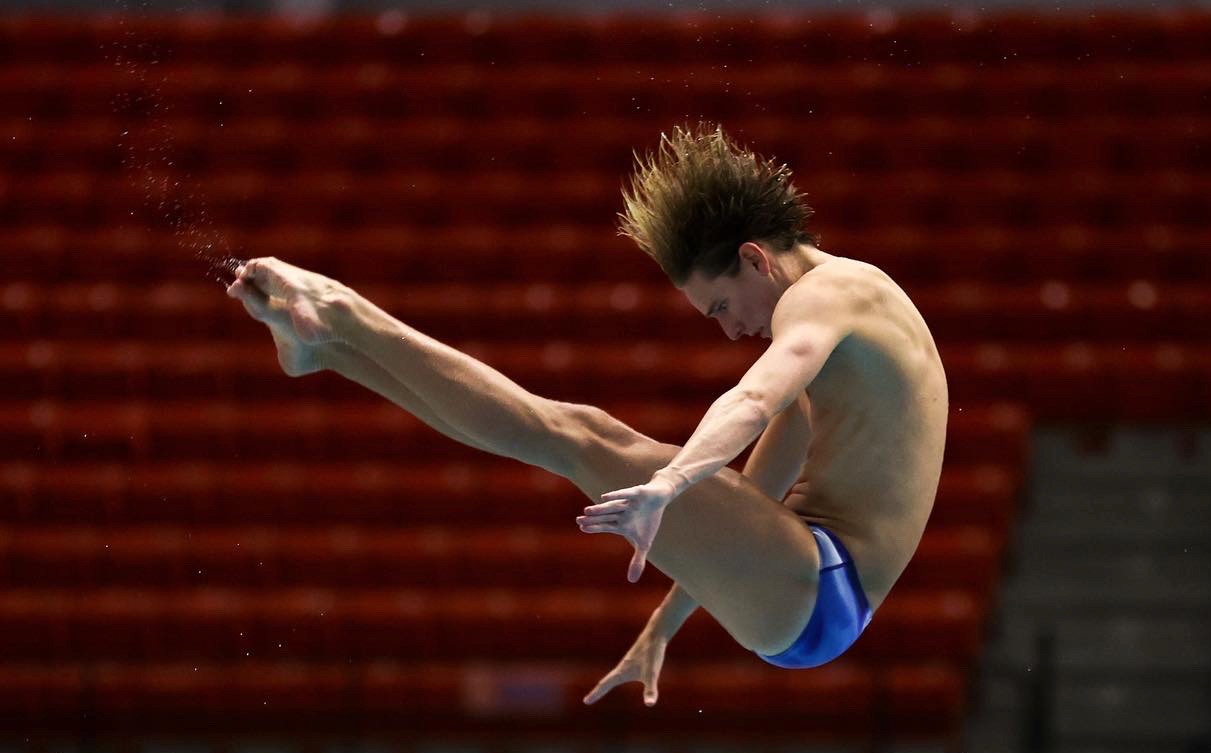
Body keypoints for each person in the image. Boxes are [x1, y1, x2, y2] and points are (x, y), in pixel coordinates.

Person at [226, 122, 947, 706]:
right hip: (814, 591)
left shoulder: (827, 299)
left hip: (817, 581)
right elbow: (753, 498)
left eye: (722, 306)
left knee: (576, 433)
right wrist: (663, 626)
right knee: (569, 436)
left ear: (756, 260)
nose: (730, 331)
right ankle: (331, 350)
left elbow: (753, 399)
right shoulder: (849, 336)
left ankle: (343, 314)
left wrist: (668, 484)